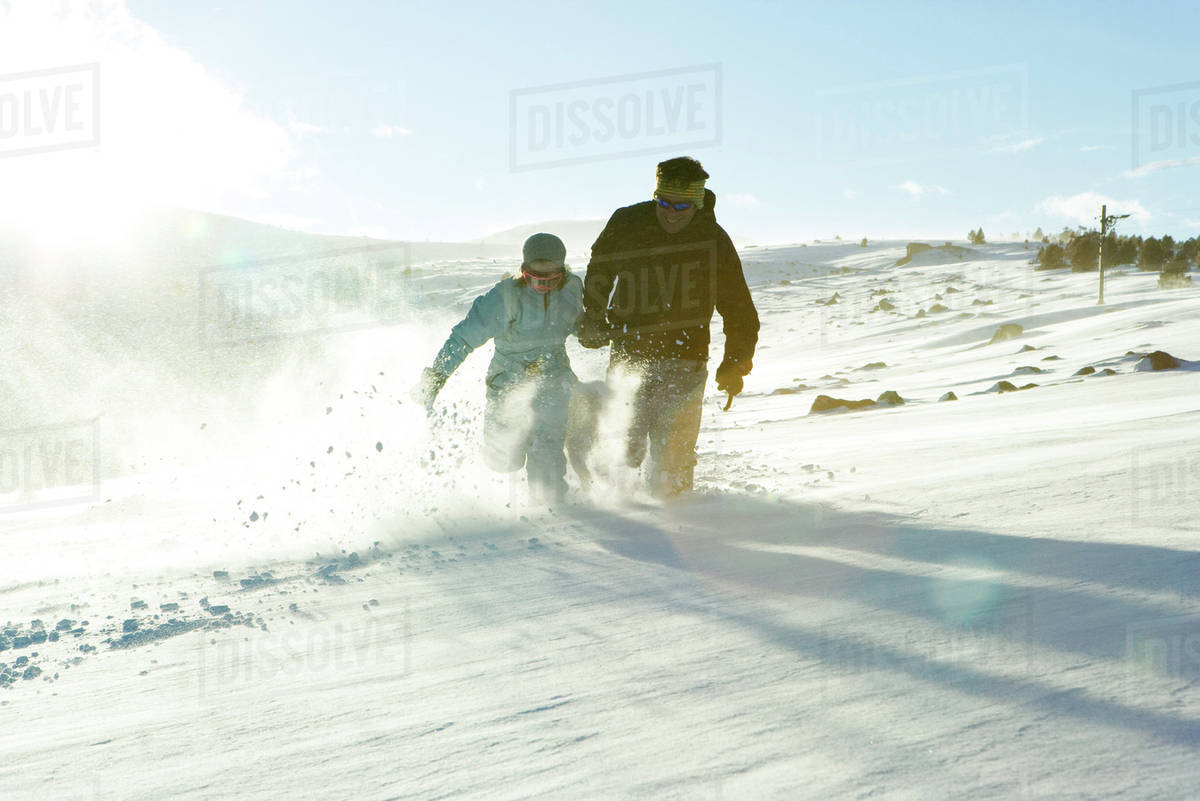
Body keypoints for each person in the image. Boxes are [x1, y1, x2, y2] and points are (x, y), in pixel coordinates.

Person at [578, 156, 759, 497]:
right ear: (655, 195)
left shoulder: (713, 240)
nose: (671, 213)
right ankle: (609, 518)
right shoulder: (628, 222)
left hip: (686, 360)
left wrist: (735, 363)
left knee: (672, 459)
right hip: (630, 355)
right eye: (664, 202)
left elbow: (740, 311)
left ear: (697, 202)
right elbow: (600, 270)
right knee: (622, 451)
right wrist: (593, 316)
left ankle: (677, 523)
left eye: (682, 206)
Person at [412, 233, 583, 504]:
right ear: (522, 271)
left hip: (554, 376)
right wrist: (438, 374)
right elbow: (464, 337)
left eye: (551, 280)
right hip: (509, 380)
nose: (543, 286)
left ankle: (550, 507)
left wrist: (590, 330)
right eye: (534, 279)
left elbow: (579, 322)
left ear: (563, 272)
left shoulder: (572, 289)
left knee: (546, 444)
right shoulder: (504, 298)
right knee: (503, 459)